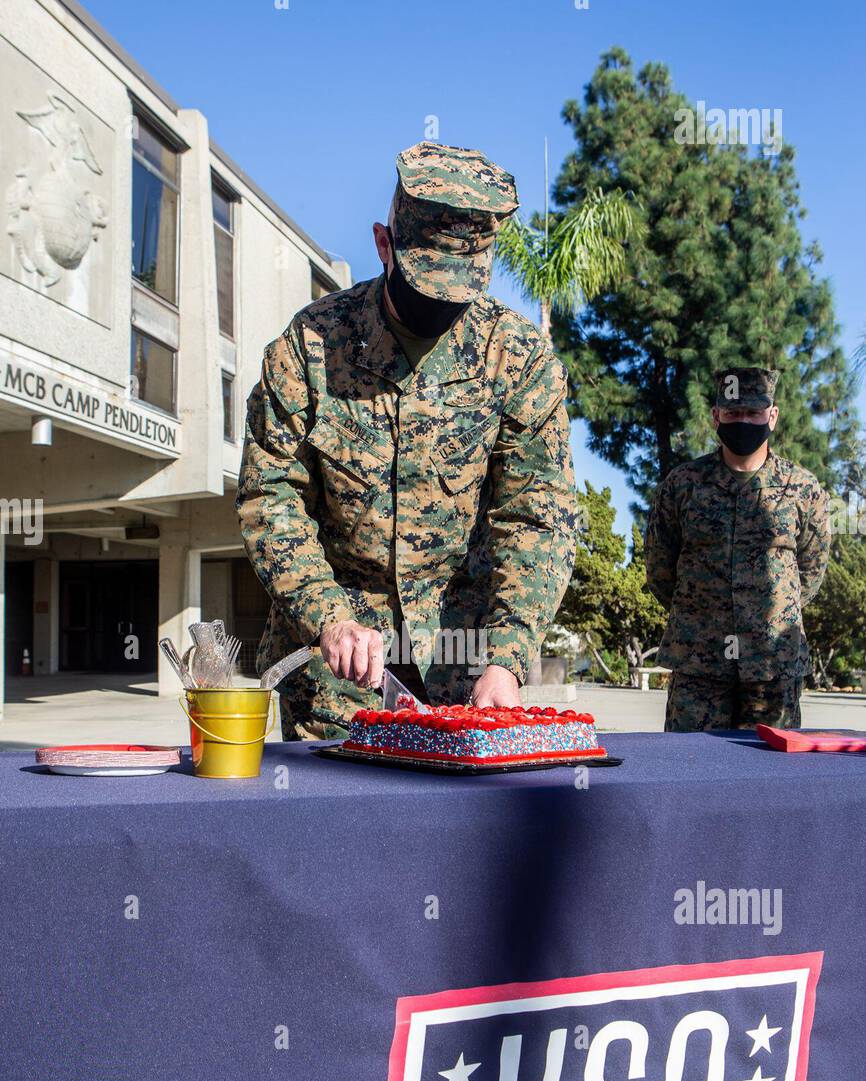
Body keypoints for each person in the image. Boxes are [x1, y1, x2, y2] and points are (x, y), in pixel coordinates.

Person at [237, 141, 579, 738]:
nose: (441, 305)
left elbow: (536, 518)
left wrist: (508, 656)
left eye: (459, 290)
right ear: (383, 244)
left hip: (468, 675)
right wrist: (330, 618)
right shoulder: (312, 346)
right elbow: (271, 497)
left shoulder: (519, 359)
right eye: (426, 284)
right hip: (339, 677)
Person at [645, 367, 830, 732]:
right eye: (732, 413)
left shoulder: (802, 488)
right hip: (699, 662)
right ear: (716, 416)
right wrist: (704, 615)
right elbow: (660, 568)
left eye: (753, 413)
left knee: (768, 780)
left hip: (772, 665)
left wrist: (768, 613)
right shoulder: (682, 485)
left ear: (772, 416)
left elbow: (809, 571)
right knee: (689, 772)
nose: (743, 421)